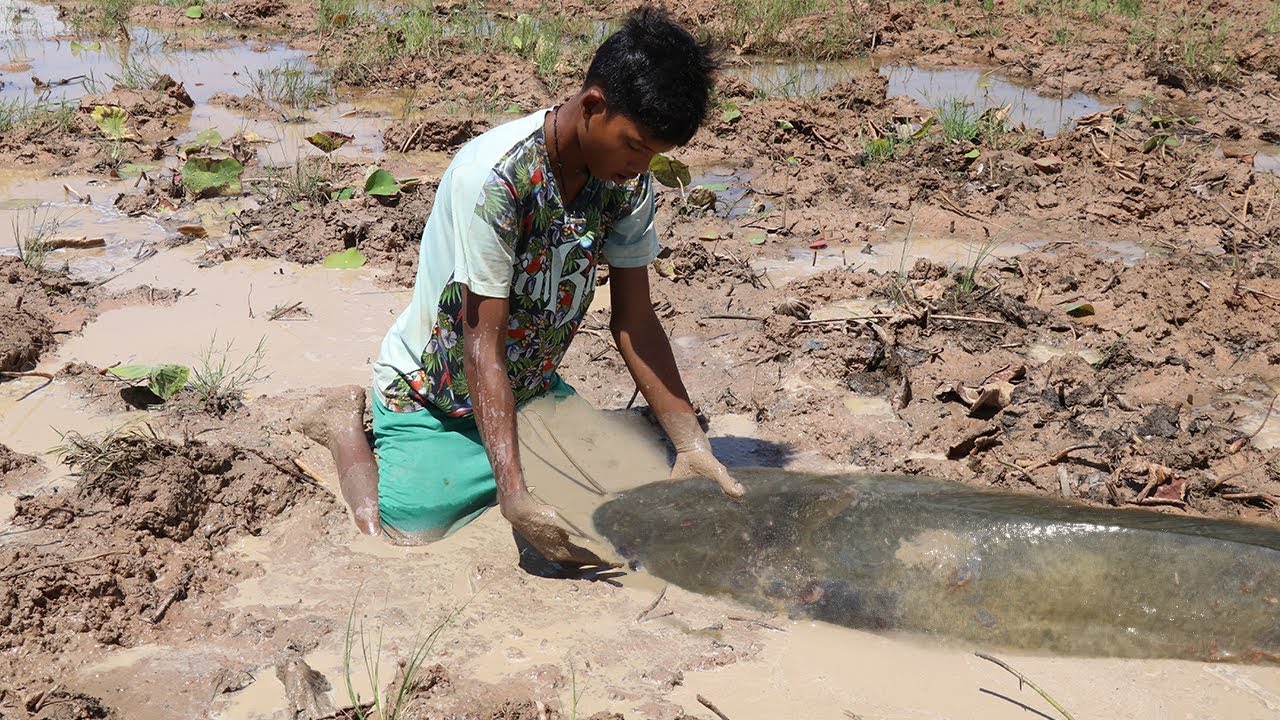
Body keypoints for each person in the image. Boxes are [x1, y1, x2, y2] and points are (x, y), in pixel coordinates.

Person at [299, 6, 743, 566]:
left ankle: (510, 460)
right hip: (435, 392)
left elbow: (634, 318)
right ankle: (341, 423)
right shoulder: (495, 179)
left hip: (527, 387)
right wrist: (513, 496)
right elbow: (481, 343)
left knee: (625, 500)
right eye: (634, 145)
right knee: (405, 528)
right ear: (593, 106)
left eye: (654, 154)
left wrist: (691, 444)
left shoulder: (627, 183)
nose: (640, 165)